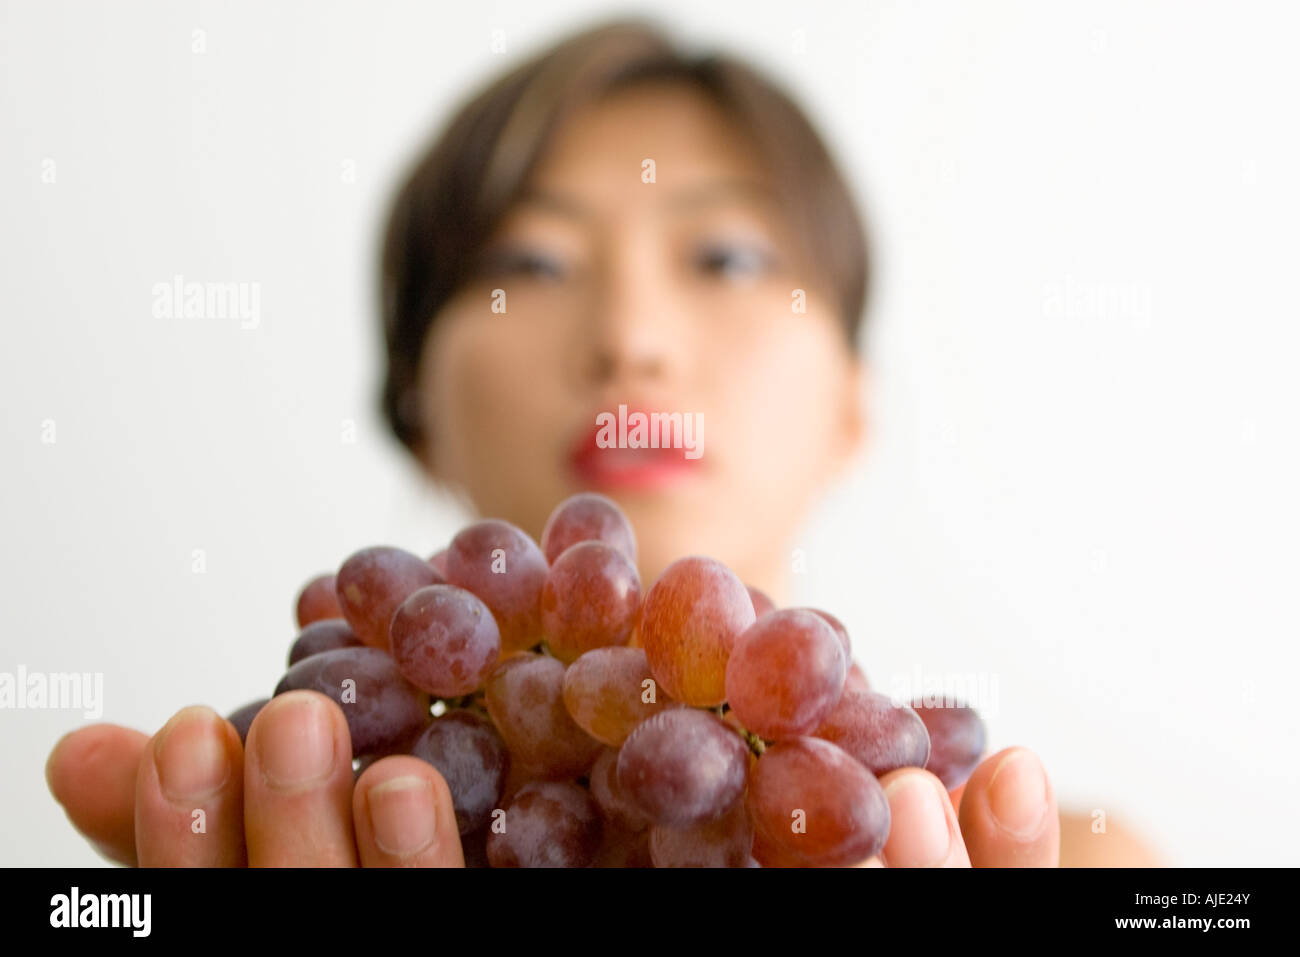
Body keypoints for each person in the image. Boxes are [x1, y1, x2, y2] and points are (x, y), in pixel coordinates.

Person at [44, 19, 1158, 867]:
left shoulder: (1085, 860)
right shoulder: (243, 816)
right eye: (528, 264)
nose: (631, 341)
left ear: (852, 410)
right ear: (416, 411)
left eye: (724, 257)